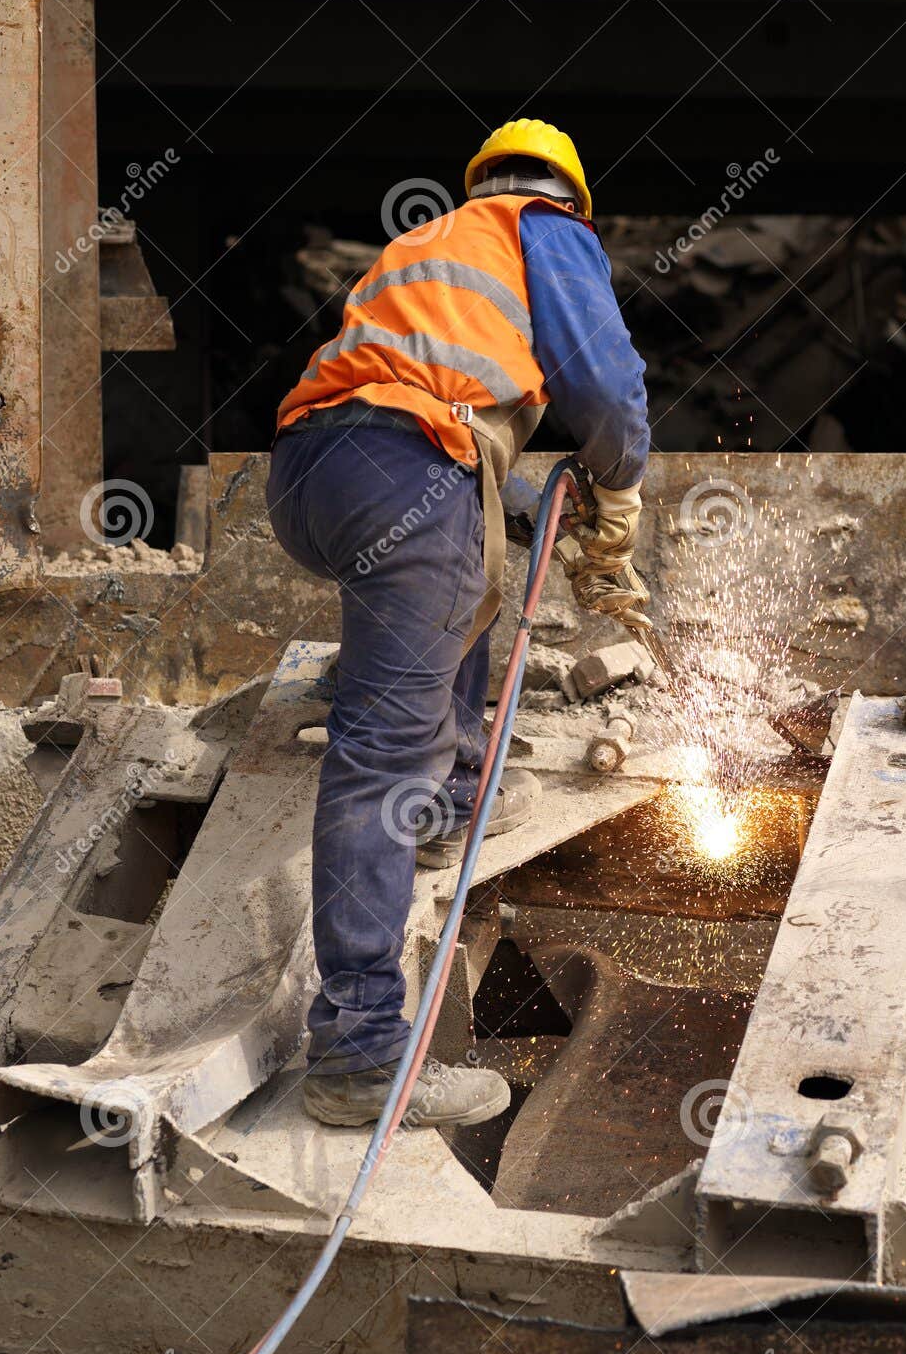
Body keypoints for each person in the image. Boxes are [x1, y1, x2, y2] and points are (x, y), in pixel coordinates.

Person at [267, 118, 651, 1129]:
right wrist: (621, 484)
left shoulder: (430, 242)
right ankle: (358, 1057)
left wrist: (532, 503)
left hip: (312, 474)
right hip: (407, 466)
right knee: (378, 753)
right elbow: (603, 386)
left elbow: (414, 408)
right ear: (569, 198)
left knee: (465, 561)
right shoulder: (546, 227)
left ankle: (444, 806)